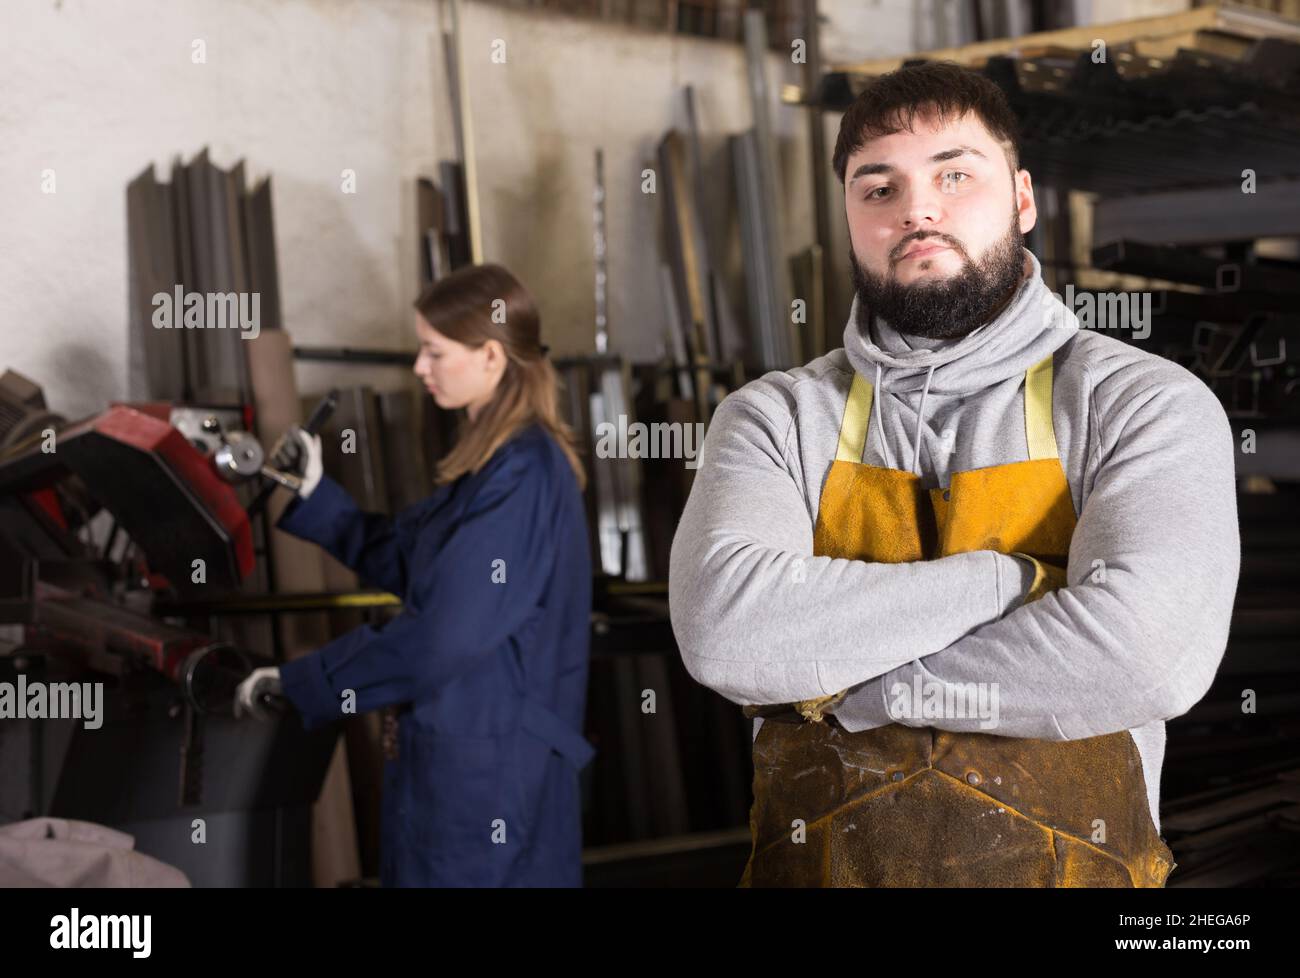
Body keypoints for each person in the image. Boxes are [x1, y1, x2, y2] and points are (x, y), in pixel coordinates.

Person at [668, 61, 1240, 887]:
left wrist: (849, 690)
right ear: (850, 219)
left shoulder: (1139, 403)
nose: (917, 210)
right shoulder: (775, 418)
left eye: (955, 175)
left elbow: (1147, 657)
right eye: (878, 189)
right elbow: (727, 635)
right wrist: (1005, 582)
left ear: (1023, 198)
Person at [236, 263, 595, 887]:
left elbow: (442, 636)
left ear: (489, 355)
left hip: (487, 776)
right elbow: (418, 565)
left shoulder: (523, 473)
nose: (418, 368)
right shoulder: (492, 465)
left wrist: (305, 681)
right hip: (466, 760)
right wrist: (318, 493)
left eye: (433, 351)